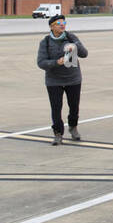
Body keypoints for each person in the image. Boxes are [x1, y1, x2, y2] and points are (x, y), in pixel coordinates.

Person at [37, 13, 88, 145]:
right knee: (56, 108)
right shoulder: (46, 42)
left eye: (64, 23)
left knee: (74, 107)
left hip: (73, 79)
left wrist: (75, 43)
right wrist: (56, 63)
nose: (62, 26)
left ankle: (73, 127)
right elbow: (41, 62)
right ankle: (58, 133)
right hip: (54, 80)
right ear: (52, 26)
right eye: (59, 24)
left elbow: (84, 54)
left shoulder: (71, 37)